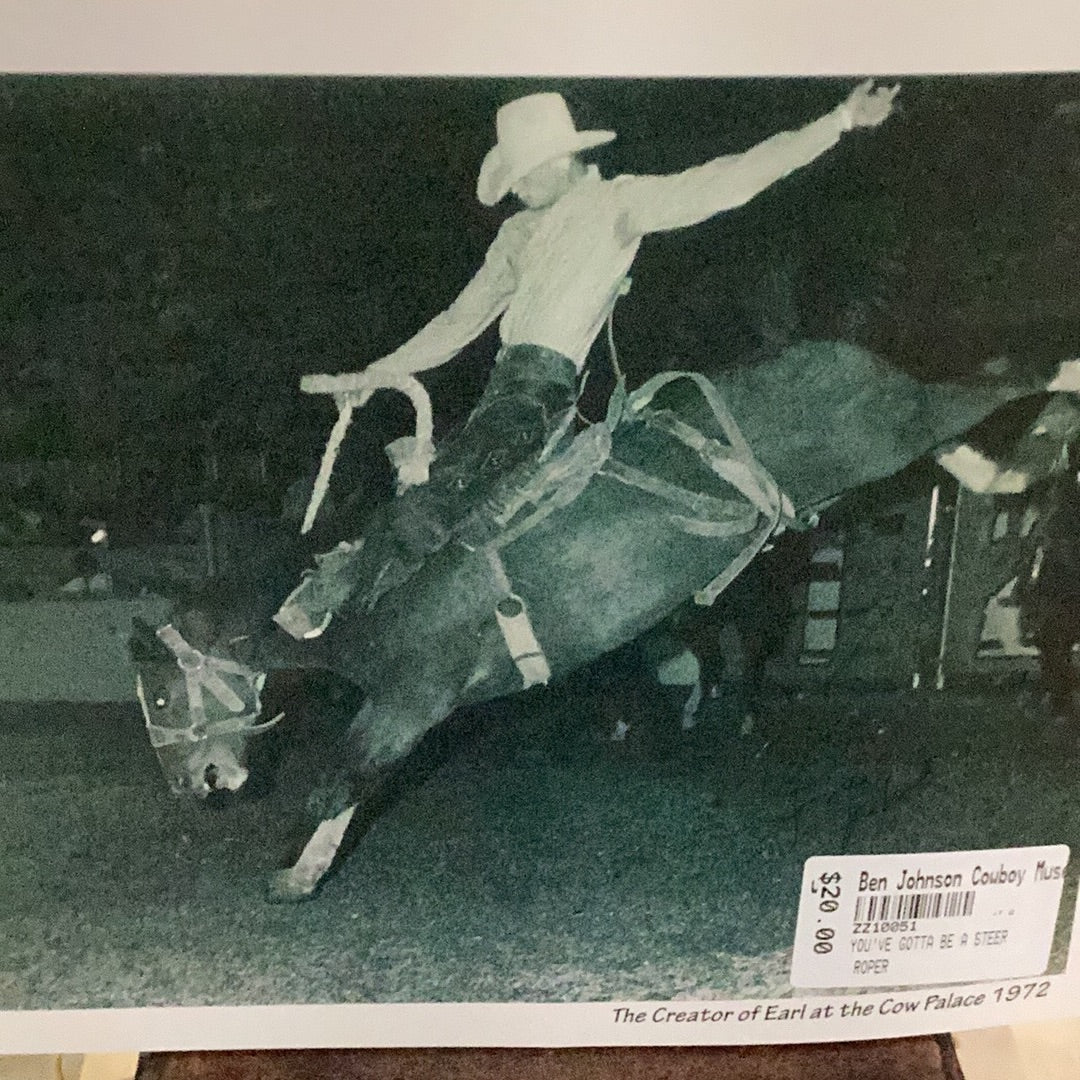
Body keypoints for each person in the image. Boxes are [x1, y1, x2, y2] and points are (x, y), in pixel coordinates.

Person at [274, 81, 900, 640]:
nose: (515, 189)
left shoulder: (618, 205)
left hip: (540, 394)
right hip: (501, 390)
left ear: (558, 159)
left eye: (521, 174)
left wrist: (837, 122)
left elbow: (727, 180)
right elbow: (460, 322)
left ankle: (331, 598)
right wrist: (375, 375)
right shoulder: (516, 235)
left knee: (438, 499)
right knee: (425, 491)